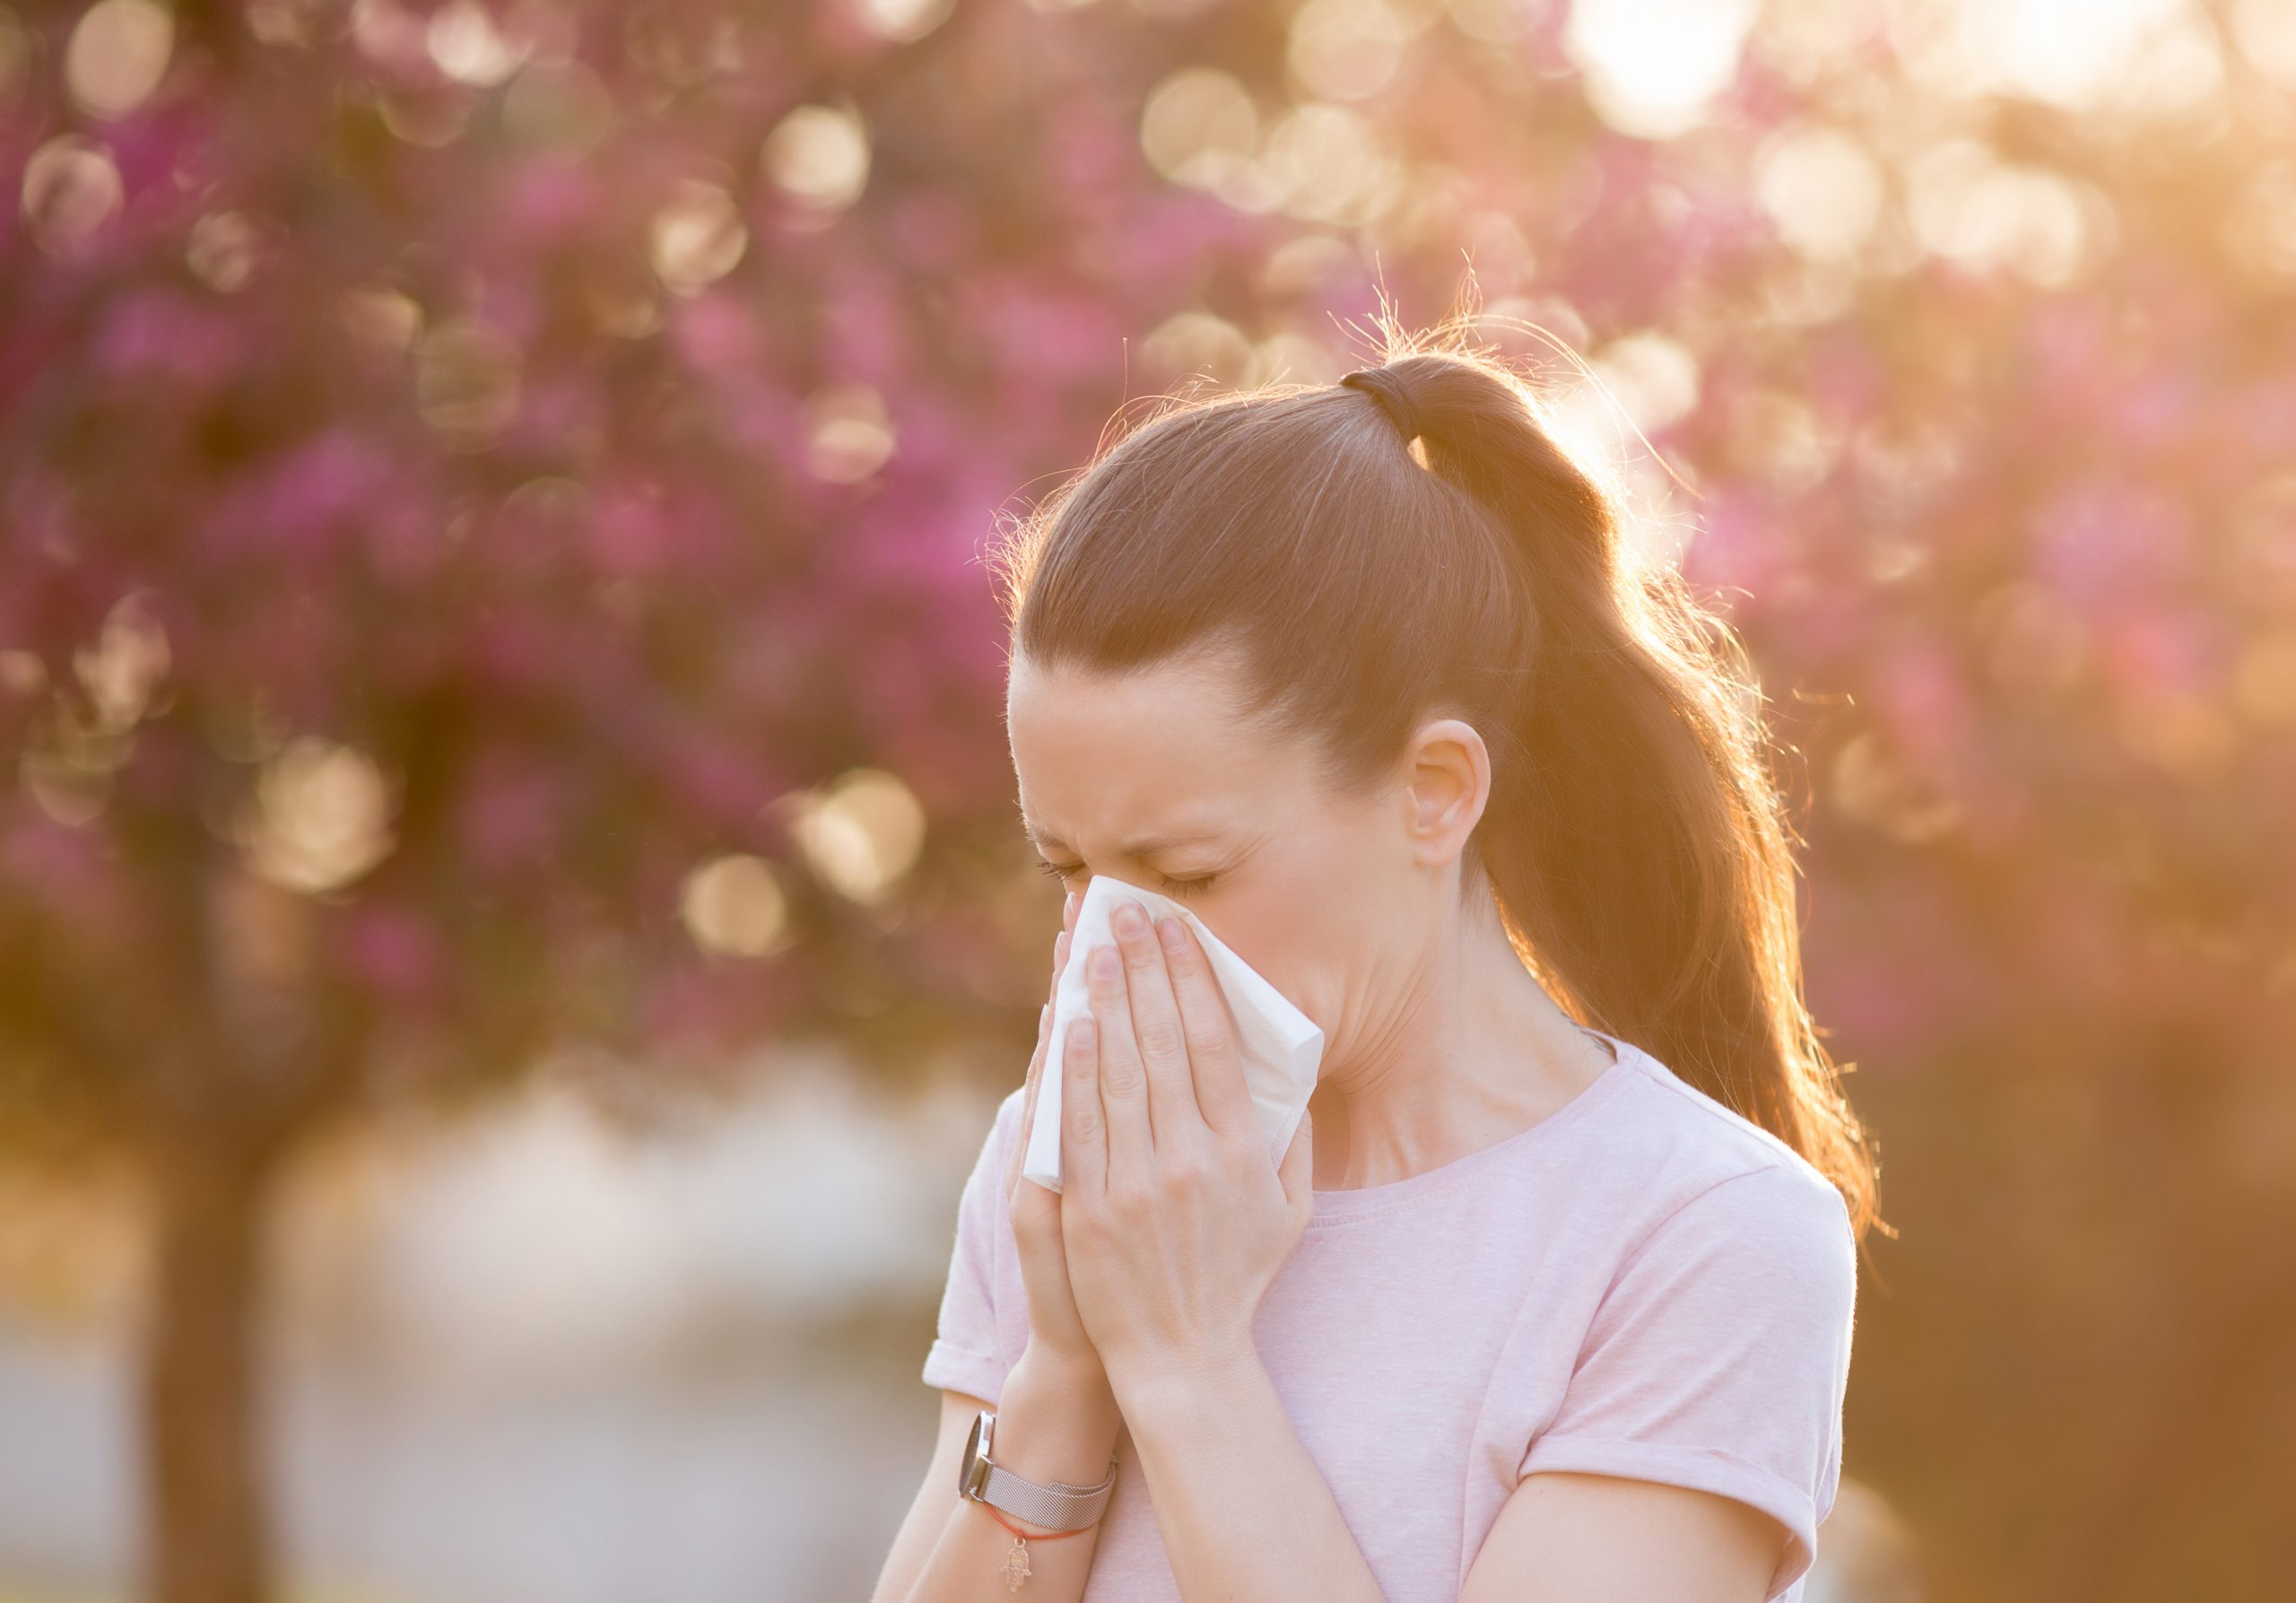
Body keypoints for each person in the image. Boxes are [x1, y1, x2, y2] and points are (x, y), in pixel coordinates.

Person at [873, 338, 1883, 1603]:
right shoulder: (1077, 1168)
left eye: (1187, 874)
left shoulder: (1700, 1232)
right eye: (1065, 867)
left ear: (1434, 792)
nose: (1108, 948)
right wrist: (1067, 1372)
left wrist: (1185, 1360)